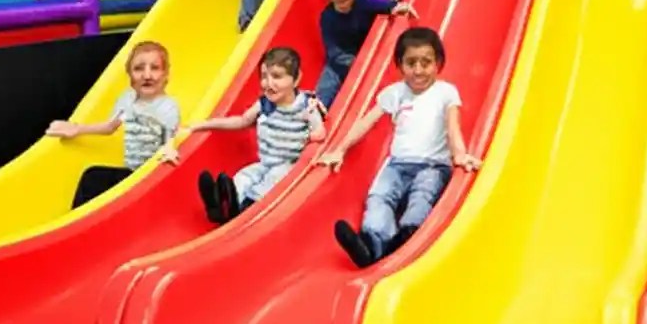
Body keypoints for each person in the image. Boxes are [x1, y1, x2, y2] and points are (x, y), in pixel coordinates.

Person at [317, 27, 481, 267]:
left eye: (426, 63)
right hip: (397, 164)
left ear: (438, 63)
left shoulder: (445, 92)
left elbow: (452, 124)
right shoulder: (395, 93)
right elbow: (366, 121)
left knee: (422, 195)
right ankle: (373, 242)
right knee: (379, 196)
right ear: (400, 65)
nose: (418, 70)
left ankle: (408, 235)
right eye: (411, 63)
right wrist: (340, 149)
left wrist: (460, 154)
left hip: (433, 165)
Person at [192, 47, 327, 224]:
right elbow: (242, 120)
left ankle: (245, 210)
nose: (268, 83)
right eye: (264, 77)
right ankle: (220, 205)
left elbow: (320, 132)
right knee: (244, 177)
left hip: (289, 165)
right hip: (265, 163)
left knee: (273, 179)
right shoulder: (264, 104)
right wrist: (205, 124)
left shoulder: (306, 106)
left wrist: (311, 137)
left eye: (277, 76)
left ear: (296, 79)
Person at [47, 41, 181, 209]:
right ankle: (80, 219)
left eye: (154, 68)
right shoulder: (127, 100)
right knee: (92, 176)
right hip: (131, 173)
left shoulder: (168, 107)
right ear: (130, 75)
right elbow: (110, 127)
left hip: (153, 175)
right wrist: (78, 129)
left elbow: (170, 138)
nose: (147, 75)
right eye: (138, 69)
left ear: (165, 74)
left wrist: (168, 150)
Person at [315, 0, 417, 108]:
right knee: (327, 83)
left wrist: (397, 6)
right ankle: (318, 109)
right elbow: (333, 50)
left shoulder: (363, 3)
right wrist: (351, 62)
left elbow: (386, 5)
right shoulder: (327, 17)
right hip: (340, 62)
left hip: (367, 54)